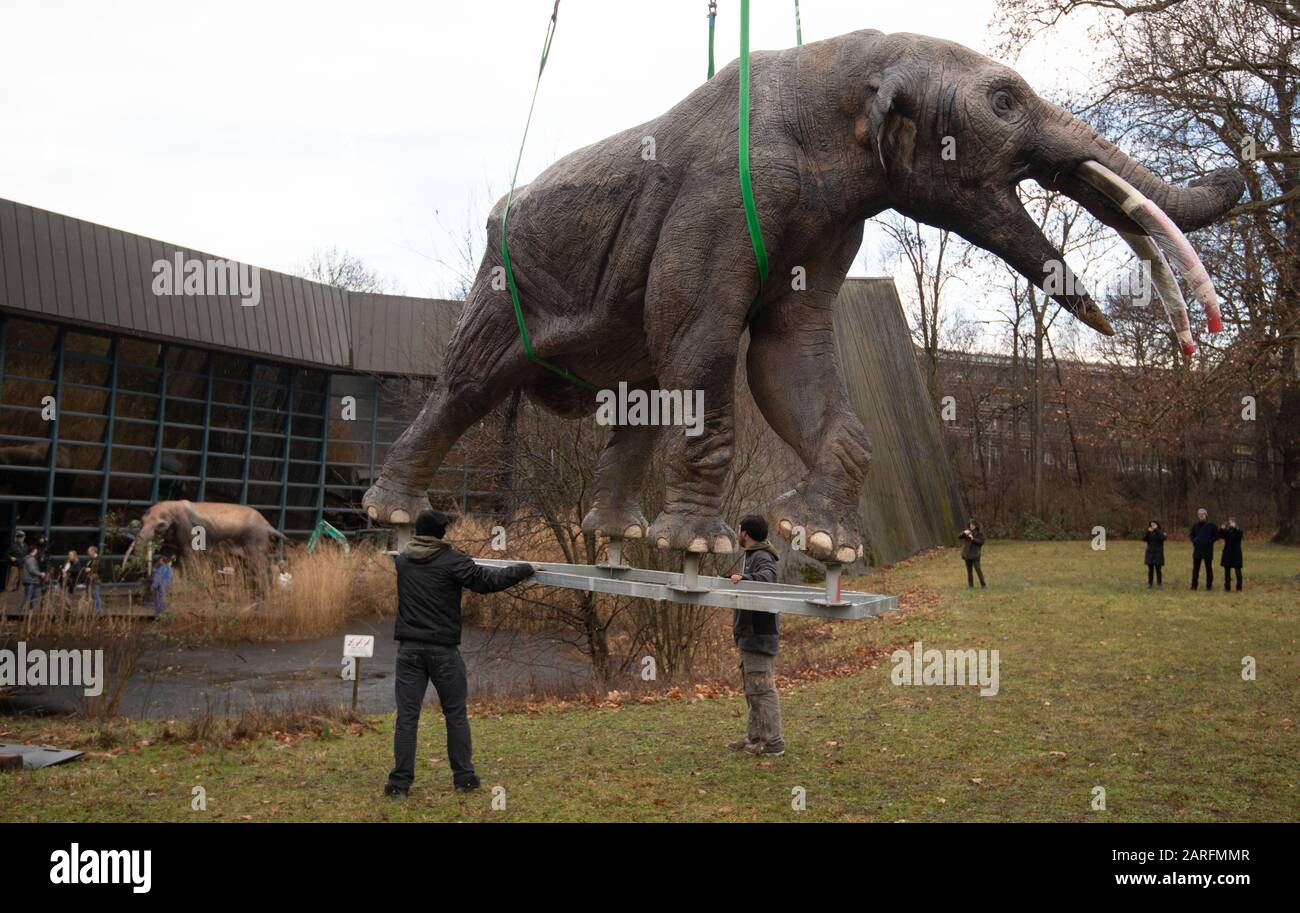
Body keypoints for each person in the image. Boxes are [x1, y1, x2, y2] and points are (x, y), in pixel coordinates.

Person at [385, 509, 535, 798]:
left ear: (418, 531)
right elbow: (488, 582)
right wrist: (522, 569)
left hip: (409, 650)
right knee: (455, 714)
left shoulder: (403, 561)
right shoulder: (452, 561)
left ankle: (399, 785)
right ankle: (464, 779)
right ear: (442, 534)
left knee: (407, 718)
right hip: (443, 651)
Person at [726, 514, 784, 757]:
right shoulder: (754, 555)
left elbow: (767, 580)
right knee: (753, 688)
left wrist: (746, 579)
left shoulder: (762, 556)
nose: (739, 533)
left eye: (739, 530)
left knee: (762, 688)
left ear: (745, 533)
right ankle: (755, 736)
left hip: (759, 636)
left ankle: (773, 743)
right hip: (751, 636)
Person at [1189, 508, 1217, 590]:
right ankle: (1194, 585)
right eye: (1199, 515)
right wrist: (1194, 541)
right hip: (1197, 550)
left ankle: (1209, 585)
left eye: (1202, 514)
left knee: (1208, 568)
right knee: (1195, 569)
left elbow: (1217, 535)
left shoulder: (1211, 525)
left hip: (1208, 549)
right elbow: (1191, 535)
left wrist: (1210, 541)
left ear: (1206, 515)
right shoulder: (1195, 525)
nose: (1201, 516)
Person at [1218, 517, 1244, 592]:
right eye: (1230, 522)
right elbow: (1220, 536)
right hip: (1227, 552)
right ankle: (1227, 587)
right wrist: (1222, 529)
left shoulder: (1238, 530)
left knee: (1237, 570)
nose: (1231, 524)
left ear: (1235, 523)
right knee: (1227, 570)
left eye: (1232, 522)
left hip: (1236, 553)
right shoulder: (1227, 531)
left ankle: (1239, 587)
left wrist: (1235, 528)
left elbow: (1240, 535)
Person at [960, 519, 986, 588]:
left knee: (978, 569)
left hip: (975, 554)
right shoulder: (968, 532)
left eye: (973, 525)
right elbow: (959, 536)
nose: (971, 526)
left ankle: (983, 585)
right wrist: (964, 533)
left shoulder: (979, 533)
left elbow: (981, 542)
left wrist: (972, 538)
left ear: (975, 525)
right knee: (969, 571)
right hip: (967, 554)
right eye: (970, 525)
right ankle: (970, 586)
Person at [1142, 519, 1166, 588]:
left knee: (1158, 570)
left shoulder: (1161, 532)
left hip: (1158, 553)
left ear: (1157, 525)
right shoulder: (1149, 533)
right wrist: (1148, 532)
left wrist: (1156, 530)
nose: (1152, 526)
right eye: (1151, 525)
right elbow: (1144, 539)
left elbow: (1162, 538)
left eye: (1154, 525)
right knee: (1150, 570)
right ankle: (1150, 583)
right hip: (1150, 553)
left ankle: (1159, 583)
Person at [19, 544, 42, 612]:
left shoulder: (28, 558)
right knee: (29, 597)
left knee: (32, 597)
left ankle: (32, 612)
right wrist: (41, 574)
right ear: (34, 550)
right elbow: (32, 570)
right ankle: (22, 612)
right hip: (31, 581)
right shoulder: (31, 559)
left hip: (31, 581)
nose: (37, 551)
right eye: (36, 550)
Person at [81, 545, 104, 613]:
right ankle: (94, 609)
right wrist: (86, 569)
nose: (88, 553)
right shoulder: (91, 560)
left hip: (96, 580)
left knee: (96, 594)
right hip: (90, 580)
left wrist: (91, 569)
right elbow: (87, 567)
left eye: (89, 551)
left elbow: (101, 569)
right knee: (93, 595)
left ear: (93, 551)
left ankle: (98, 610)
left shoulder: (99, 559)